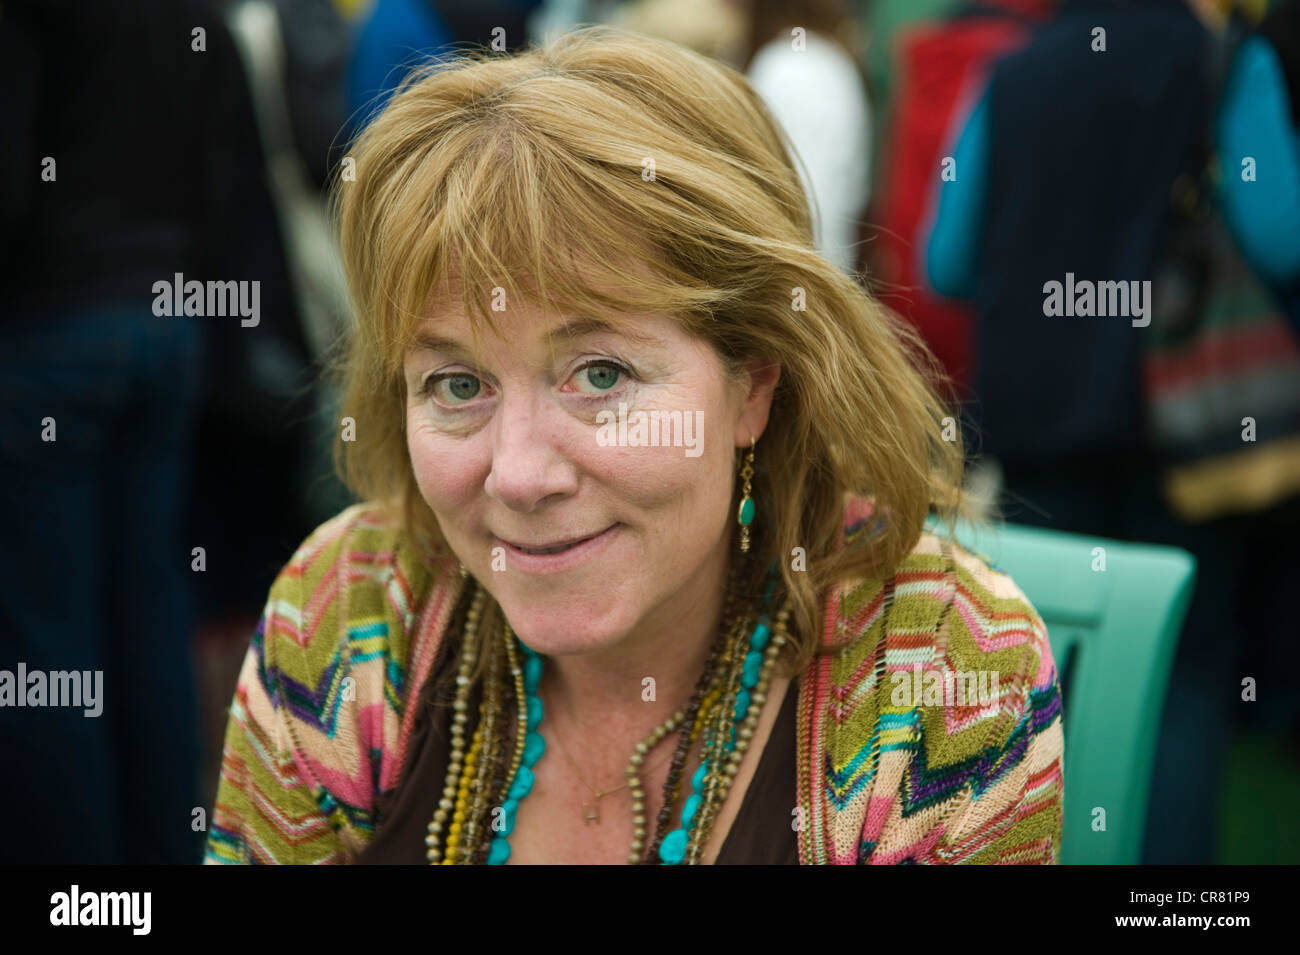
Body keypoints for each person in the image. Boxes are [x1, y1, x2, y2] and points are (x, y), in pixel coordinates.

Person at [204, 25, 1064, 865]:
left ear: (754, 383)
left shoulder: (935, 668)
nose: (520, 475)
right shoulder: (349, 614)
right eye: (458, 385)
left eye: (601, 374)